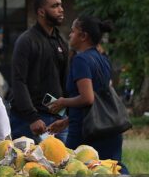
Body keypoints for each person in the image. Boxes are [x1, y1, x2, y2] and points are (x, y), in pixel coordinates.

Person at [46, 16, 123, 166]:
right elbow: (98, 97)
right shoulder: (102, 59)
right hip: (108, 127)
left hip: (86, 132)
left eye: (73, 31)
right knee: (110, 170)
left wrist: (62, 102)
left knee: (73, 170)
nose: (70, 35)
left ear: (83, 36)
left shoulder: (81, 60)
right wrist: (67, 121)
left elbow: (88, 98)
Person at [9, 0, 69, 142]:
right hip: (30, 121)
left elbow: (65, 80)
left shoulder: (61, 41)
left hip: (57, 119)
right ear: (41, 12)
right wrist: (32, 117)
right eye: (55, 6)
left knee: (61, 157)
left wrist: (67, 113)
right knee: (28, 158)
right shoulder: (26, 41)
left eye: (61, 5)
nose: (61, 9)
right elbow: (18, 81)